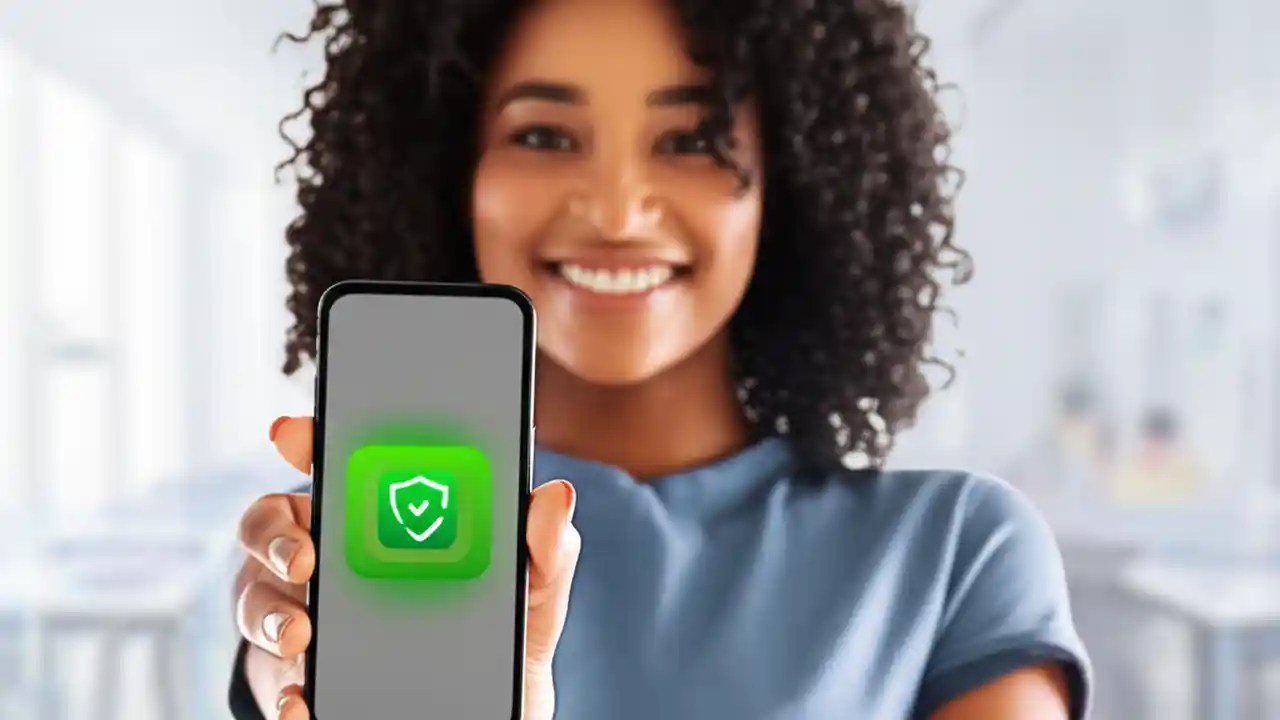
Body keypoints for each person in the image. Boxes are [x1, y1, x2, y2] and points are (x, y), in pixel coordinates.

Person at [228, 0, 1092, 718]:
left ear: (792, 179)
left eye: (689, 141)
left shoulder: (953, 552)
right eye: (543, 136)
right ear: (449, 172)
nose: (614, 211)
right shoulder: (329, 546)